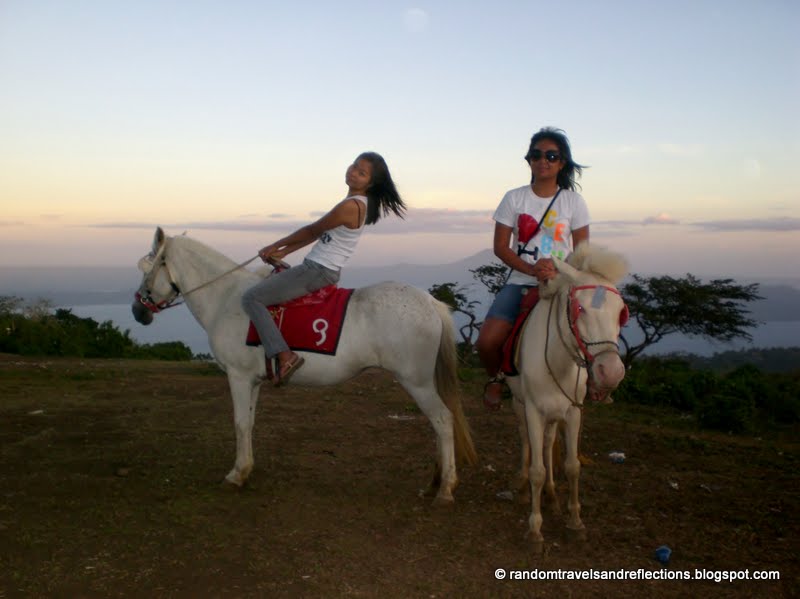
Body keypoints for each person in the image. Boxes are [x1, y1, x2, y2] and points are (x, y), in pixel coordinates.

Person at [242, 152, 406, 386]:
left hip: (317, 270)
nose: (353, 172)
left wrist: (275, 245)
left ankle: (284, 355)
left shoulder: (350, 206)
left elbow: (312, 229)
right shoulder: (357, 203)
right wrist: (284, 252)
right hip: (319, 267)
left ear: (370, 183)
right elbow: (319, 234)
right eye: (353, 166)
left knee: (251, 298)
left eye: (361, 173)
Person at [475, 128, 590, 410]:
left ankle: (595, 382)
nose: (544, 161)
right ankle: (496, 377)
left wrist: (560, 272)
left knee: (594, 333)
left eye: (552, 156)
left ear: (562, 162)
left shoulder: (573, 201)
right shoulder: (514, 198)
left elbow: (583, 251)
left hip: (561, 284)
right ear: (529, 160)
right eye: (537, 155)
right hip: (519, 280)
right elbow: (501, 247)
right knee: (487, 342)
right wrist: (531, 269)